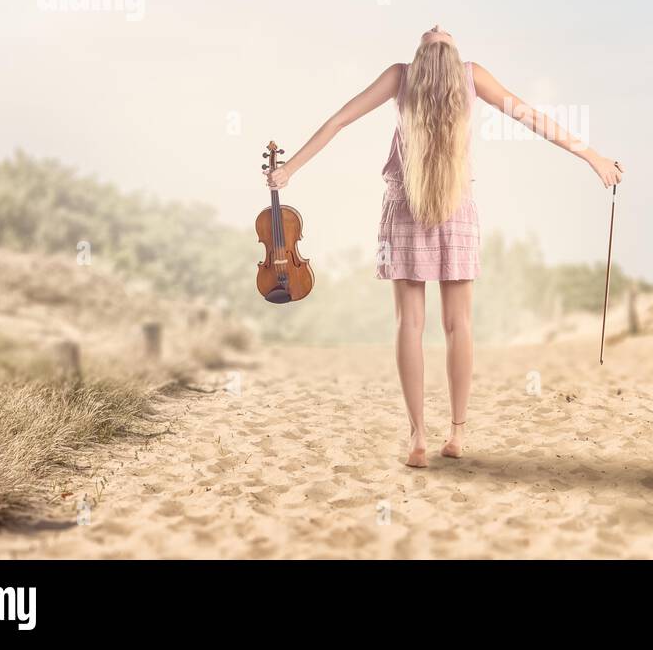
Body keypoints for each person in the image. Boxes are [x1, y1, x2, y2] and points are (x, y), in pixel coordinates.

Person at [264, 26, 624, 467]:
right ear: (450, 60)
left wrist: (291, 170)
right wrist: (593, 157)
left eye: (438, 34)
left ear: (425, 59)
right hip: (455, 210)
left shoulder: (401, 77)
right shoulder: (469, 76)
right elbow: (531, 117)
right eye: (441, 35)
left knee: (409, 324)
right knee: (458, 325)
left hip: (405, 210)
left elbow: (340, 120)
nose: (437, 27)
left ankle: (418, 437)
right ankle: (455, 433)